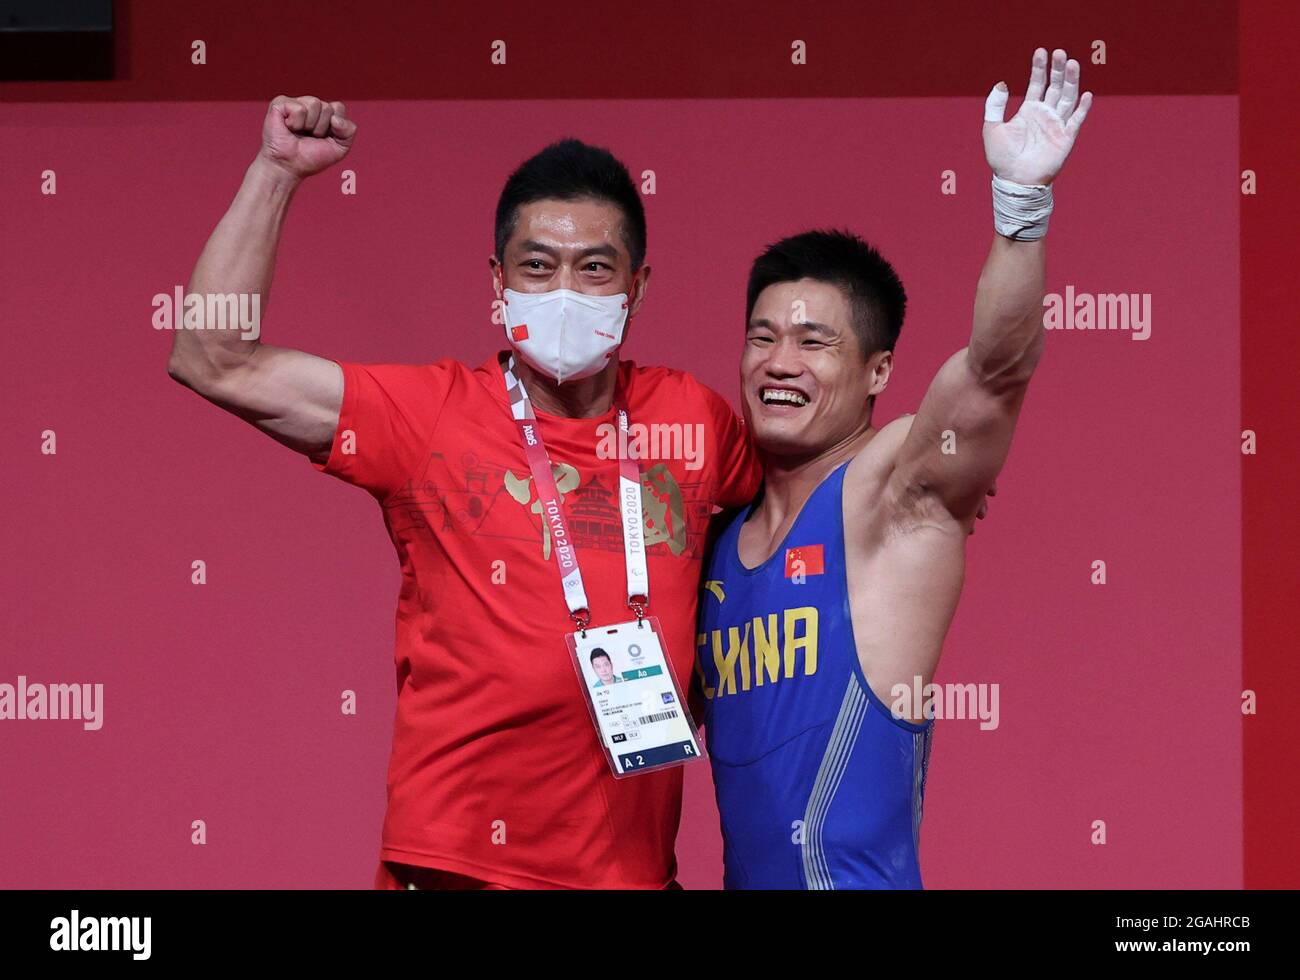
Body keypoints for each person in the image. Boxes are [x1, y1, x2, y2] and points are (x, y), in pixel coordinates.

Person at [166, 98, 759, 889]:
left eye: (595, 268)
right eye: (537, 267)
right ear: (498, 281)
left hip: (632, 874)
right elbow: (213, 357)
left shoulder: (695, 418)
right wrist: (275, 174)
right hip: (458, 870)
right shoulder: (427, 415)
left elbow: (801, 501)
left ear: (638, 287)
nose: (565, 292)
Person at [695, 48, 1093, 888]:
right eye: (762, 337)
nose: (779, 362)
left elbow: (993, 373)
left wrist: (1021, 208)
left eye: (814, 342)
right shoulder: (715, 539)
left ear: (877, 372)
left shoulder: (894, 496)